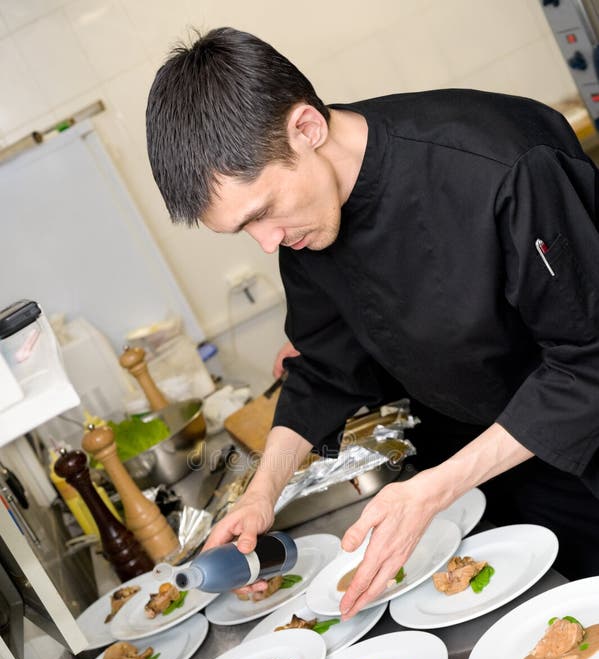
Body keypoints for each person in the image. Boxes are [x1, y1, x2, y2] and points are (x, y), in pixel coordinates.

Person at [146, 27, 599, 618]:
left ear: (306, 129)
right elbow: (325, 366)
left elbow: (587, 363)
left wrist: (435, 487)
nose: (268, 243)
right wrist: (261, 495)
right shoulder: (307, 222)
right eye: (242, 231)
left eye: (262, 213)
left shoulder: (499, 166)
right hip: (489, 469)